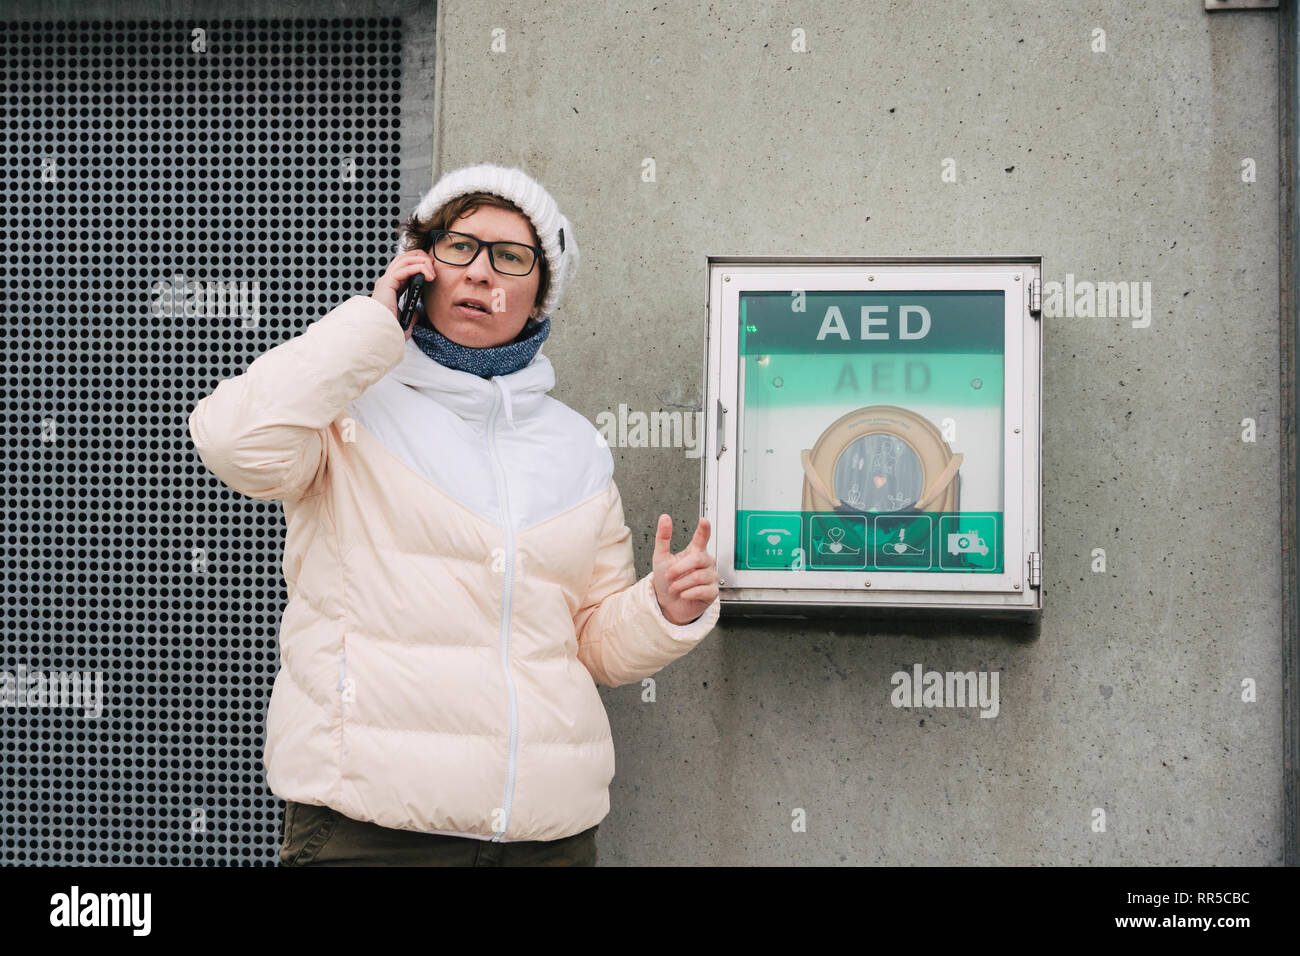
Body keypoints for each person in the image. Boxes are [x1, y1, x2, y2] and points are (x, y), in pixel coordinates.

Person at [187, 163, 722, 866]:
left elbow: (592, 642)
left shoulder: (575, 446)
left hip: (545, 837)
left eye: (510, 257)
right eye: (459, 246)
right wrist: (374, 324)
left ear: (538, 298)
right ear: (421, 265)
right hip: (371, 830)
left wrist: (662, 609)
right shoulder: (349, 406)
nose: (479, 272)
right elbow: (232, 440)